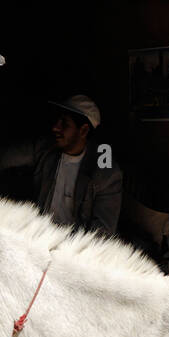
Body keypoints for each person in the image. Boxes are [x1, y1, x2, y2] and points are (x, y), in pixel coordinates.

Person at [32, 94, 122, 236]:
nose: (55, 128)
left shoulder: (105, 173)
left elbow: (102, 233)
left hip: (72, 251)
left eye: (64, 124)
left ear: (84, 130)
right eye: (57, 121)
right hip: (38, 238)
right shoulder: (46, 150)